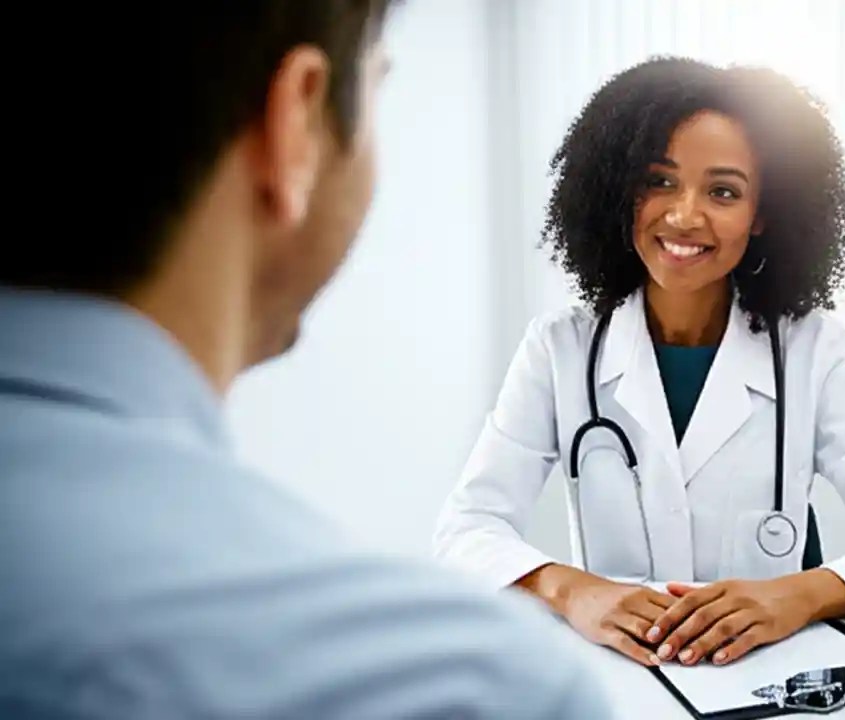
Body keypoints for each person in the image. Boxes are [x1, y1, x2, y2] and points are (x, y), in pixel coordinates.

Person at [0, 3, 612, 718]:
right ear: (296, 123)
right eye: (378, 86)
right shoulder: (463, 688)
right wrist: (569, 587)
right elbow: (473, 524)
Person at [433, 57, 845, 669]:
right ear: (619, 190)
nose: (685, 215)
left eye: (723, 191)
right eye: (660, 182)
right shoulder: (560, 350)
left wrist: (795, 596)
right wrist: (571, 590)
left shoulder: (813, 351)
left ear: (763, 213)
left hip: (763, 676)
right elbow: (466, 530)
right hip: (625, 672)